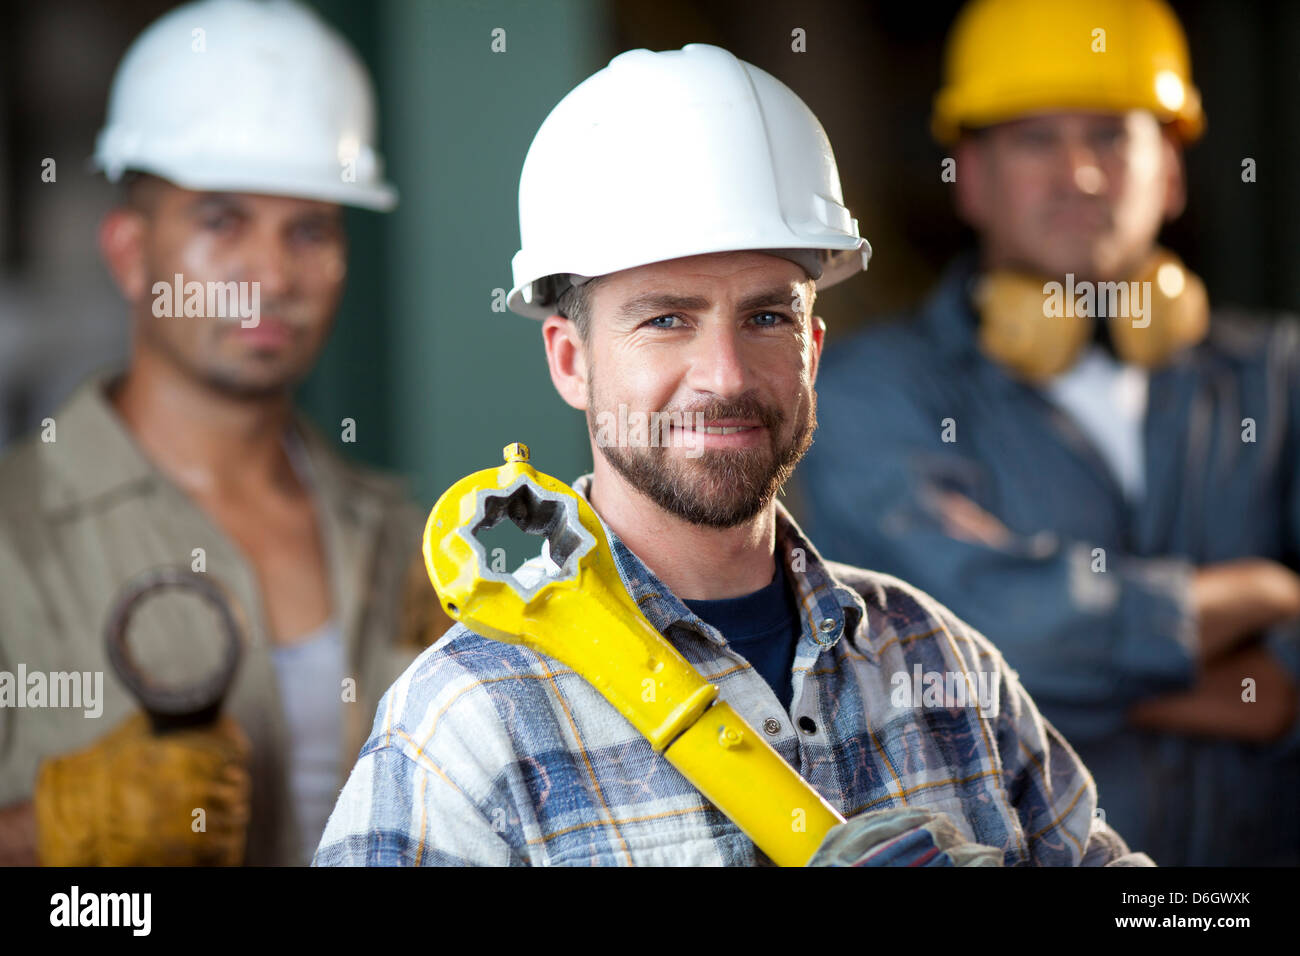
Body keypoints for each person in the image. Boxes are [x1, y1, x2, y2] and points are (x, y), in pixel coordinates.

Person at [315, 44, 1149, 866]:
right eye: (667, 319)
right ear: (570, 360)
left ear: (813, 349)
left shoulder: (945, 665)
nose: (725, 376)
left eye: (766, 318)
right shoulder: (464, 727)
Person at [798, 0, 1300, 866]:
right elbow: (960, 638)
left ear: (1171, 169)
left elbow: (990, 658)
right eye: (1036, 139)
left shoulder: (1280, 375)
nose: (1081, 174)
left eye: (1112, 135)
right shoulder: (867, 391)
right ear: (972, 175)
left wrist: (1044, 676)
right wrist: (1261, 597)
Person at [0, 0, 447, 866]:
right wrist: (47, 834)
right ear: (130, 252)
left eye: (310, 228)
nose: (272, 275)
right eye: (221, 222)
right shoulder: (12, 536)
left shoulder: (411, 541)